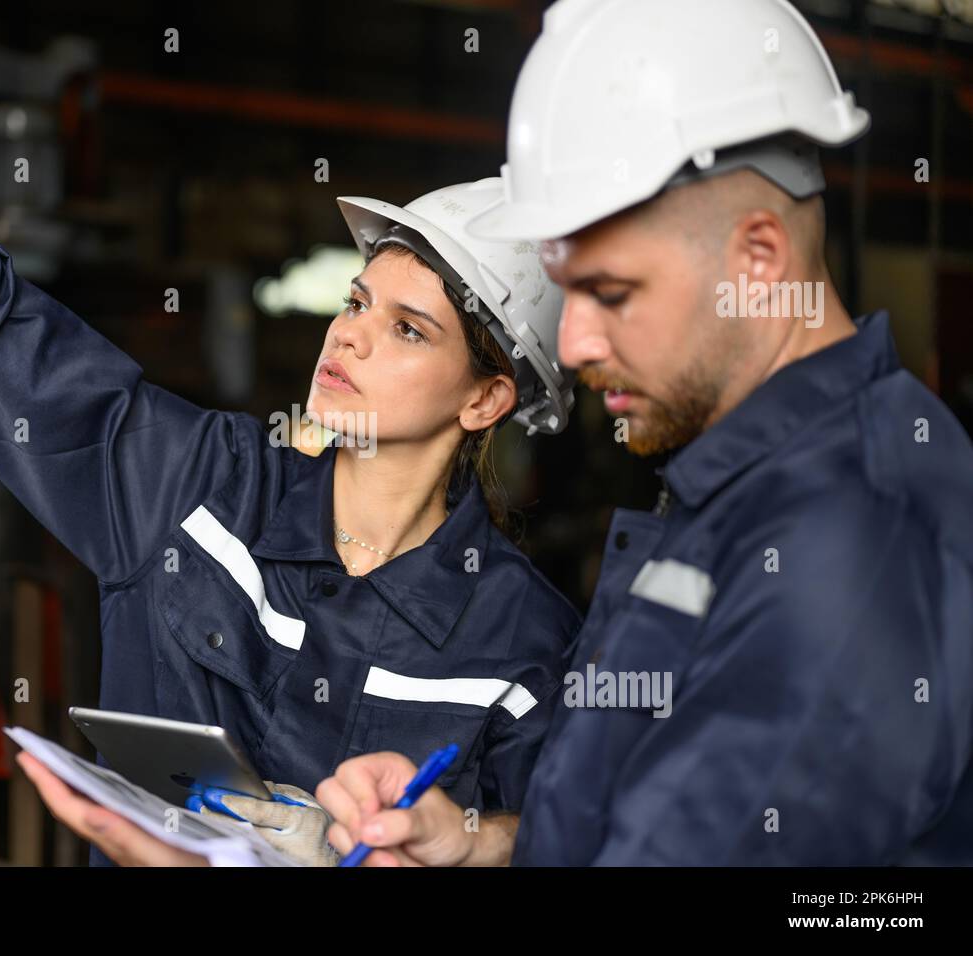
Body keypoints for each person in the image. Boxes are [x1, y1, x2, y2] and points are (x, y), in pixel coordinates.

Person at [0, 1, 585, 865]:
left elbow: (583, 843)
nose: (348, 332)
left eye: (408, 329)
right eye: (357, 299)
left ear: (485, 401)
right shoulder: (196, 487)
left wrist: (474, 842)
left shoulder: (524, 640)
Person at [317, 0, 973, 866]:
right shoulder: (746, 478)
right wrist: (482, 841)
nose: (578, 345)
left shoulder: (851, 538)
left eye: (614, 293)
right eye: (568, 290)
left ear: (760, 261)